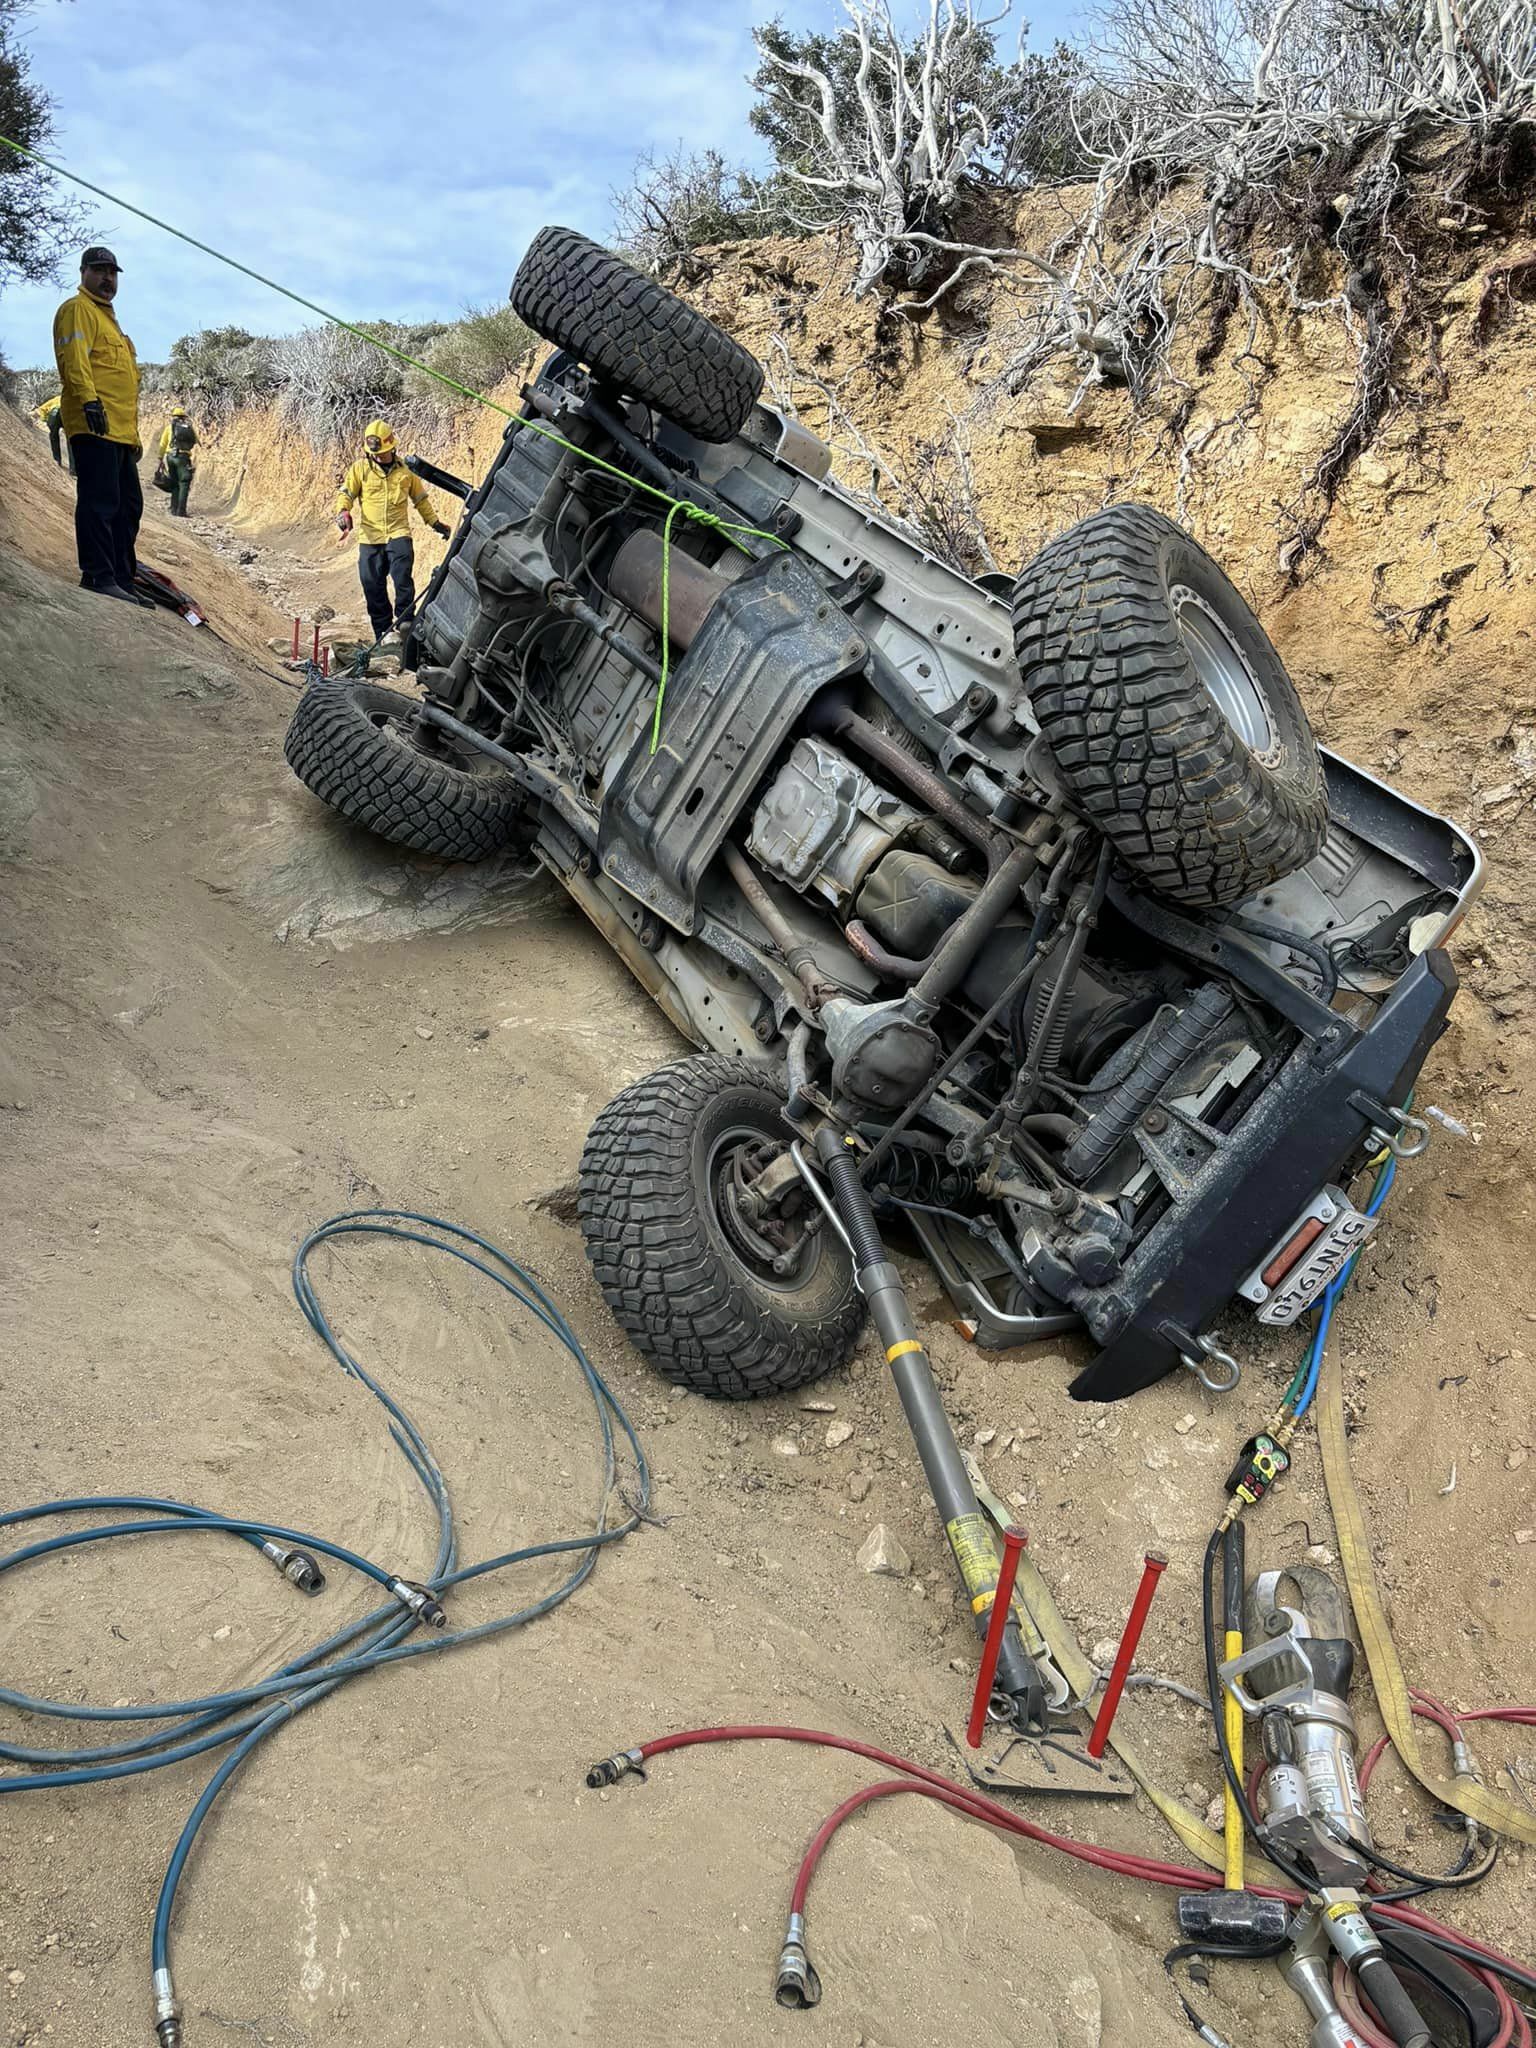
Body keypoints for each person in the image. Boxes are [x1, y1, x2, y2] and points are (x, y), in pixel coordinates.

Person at [52, 245, 147, 605]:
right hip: (94, 424)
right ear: (83, 273)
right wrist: (89, 401)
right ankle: (97, 575)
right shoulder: (77, 311)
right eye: (100, 270)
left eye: (112, 273)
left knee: (128, 507)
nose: (107, 278)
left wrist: (134, 438)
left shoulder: (110, 321)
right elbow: (74, 359)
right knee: (100, 501)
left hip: (120, 432)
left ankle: (122, 578)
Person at [333, 419, 450, 645]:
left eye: (383, 452)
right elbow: (346, 494)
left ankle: (406, 623)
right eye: (374, 453)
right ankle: (383, 634)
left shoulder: (406, 472)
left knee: (402, 577)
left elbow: (420, 500)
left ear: (392, 447)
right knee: (372, 585)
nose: (378, 456)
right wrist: (343, 512)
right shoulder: (360, 469)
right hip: (370, 537)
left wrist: (435, 523)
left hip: (398, 533)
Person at [156, 404, 199, 517]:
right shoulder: (189, 427)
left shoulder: (169, 427)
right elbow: (196, 441)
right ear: (184, 417)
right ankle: (181, 511)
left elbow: (163, 444)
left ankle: (173, 508)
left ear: (173, 416)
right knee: (184, 483)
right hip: (183, 458)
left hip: (170, 456)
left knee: (174, 482)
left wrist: (160, 458)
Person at [34, 392, 74, 474]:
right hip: (68, 414)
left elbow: (41, 409)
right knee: (71, 442)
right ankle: (73, 470)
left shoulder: (55, 399)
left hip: (54, 414)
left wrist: (44, 419)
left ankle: (57, 460)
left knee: (53, 436)